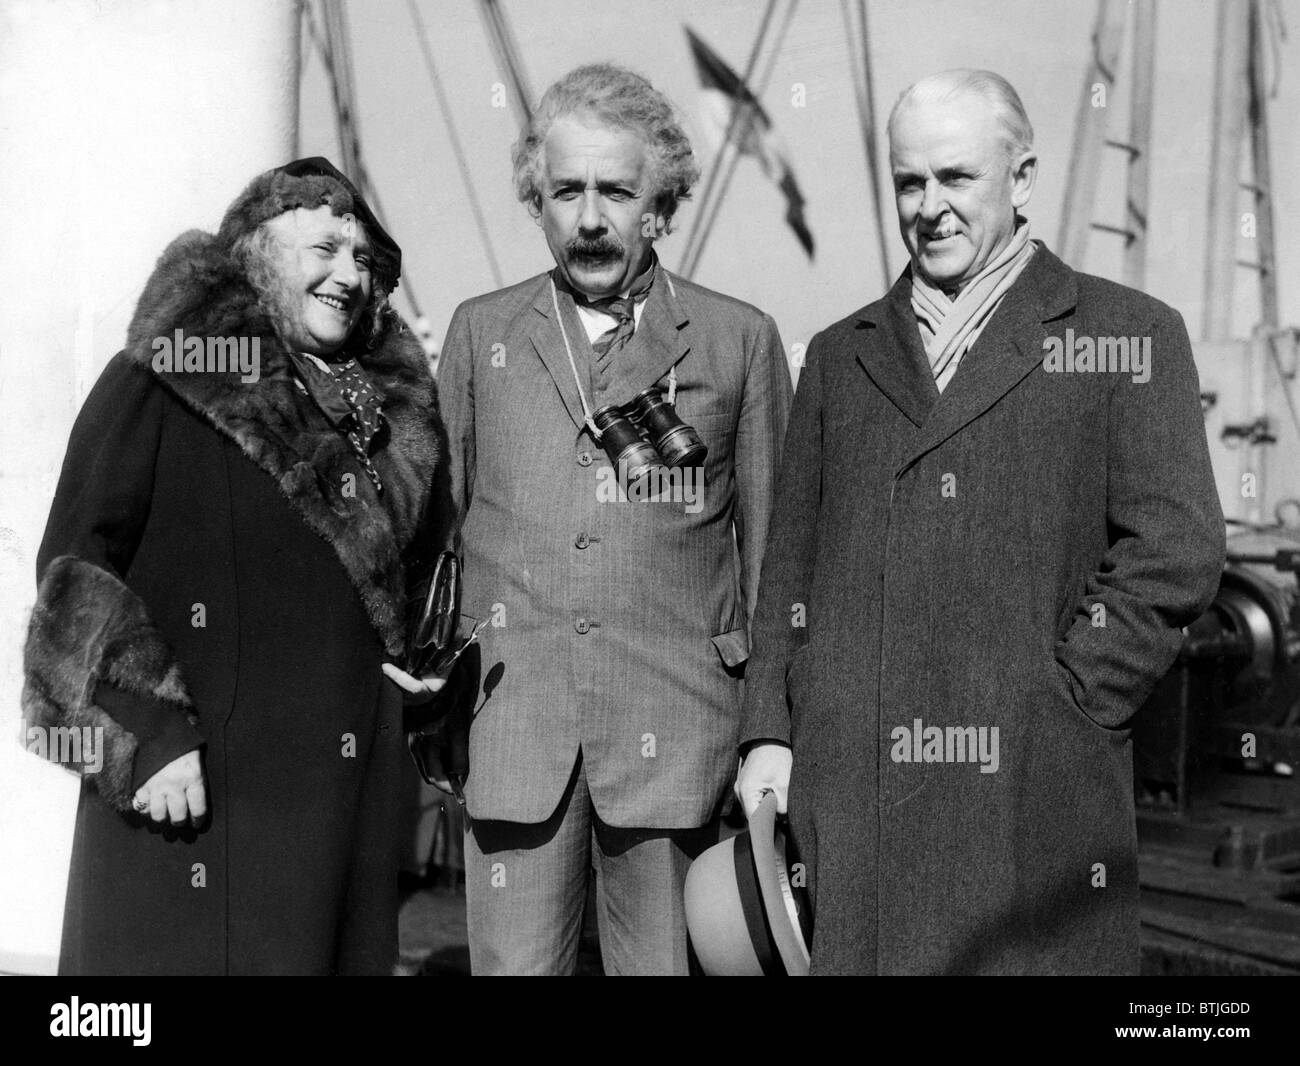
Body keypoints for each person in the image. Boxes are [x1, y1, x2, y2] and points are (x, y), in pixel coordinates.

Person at [735, 69, 1225, 975]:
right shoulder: (843, 356)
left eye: (956, 178)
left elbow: (1178, 549)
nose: (930, 207)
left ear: (1023, 178)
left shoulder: (1125, 333)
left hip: (1029, 794)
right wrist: (770, 729)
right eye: (909, 183)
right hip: (853, 793)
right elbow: (789, 567)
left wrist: (1067, 696)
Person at [22, 157, 451, 975]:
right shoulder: (165, 377)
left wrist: (426, 670)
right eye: (324, 247)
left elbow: (413, 588)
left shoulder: (389, 425)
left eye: (363, 259)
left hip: (337, 821)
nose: (349, 275)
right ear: (254, 250)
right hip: (190, 794)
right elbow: (75, 568)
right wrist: (144, 735)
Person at [436, 63, 792, 975]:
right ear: (537, 201)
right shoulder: (482, 336)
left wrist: (771, 736)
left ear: (659, 206)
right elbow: (436, 540)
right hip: (514, 738)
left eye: (616, 191)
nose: (590, 216)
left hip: (678, 745)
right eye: (566, 190)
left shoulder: (739, 341)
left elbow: (777, 564)